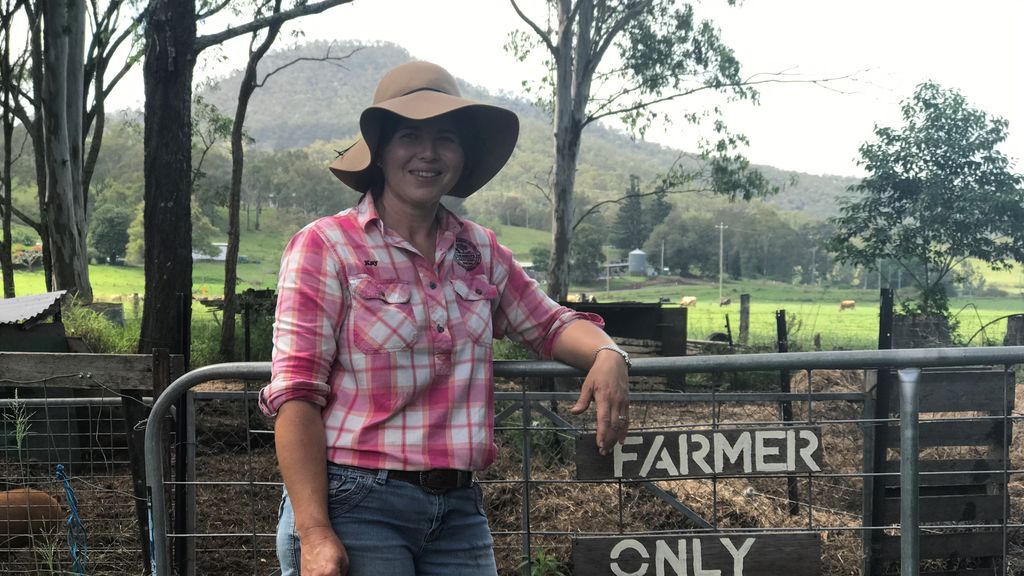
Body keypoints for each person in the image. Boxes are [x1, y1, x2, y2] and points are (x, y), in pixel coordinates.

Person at [258, 60, 631, 576]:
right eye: (410, 135)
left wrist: (608, 353)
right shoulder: (326, 246)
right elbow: (296, 393)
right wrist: (316, 533)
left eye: (446, 138)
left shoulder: (478, 250)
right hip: (355, 502)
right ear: (382, 150)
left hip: (458, 511)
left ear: (462, 155)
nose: (428, 153)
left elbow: (549, 323)